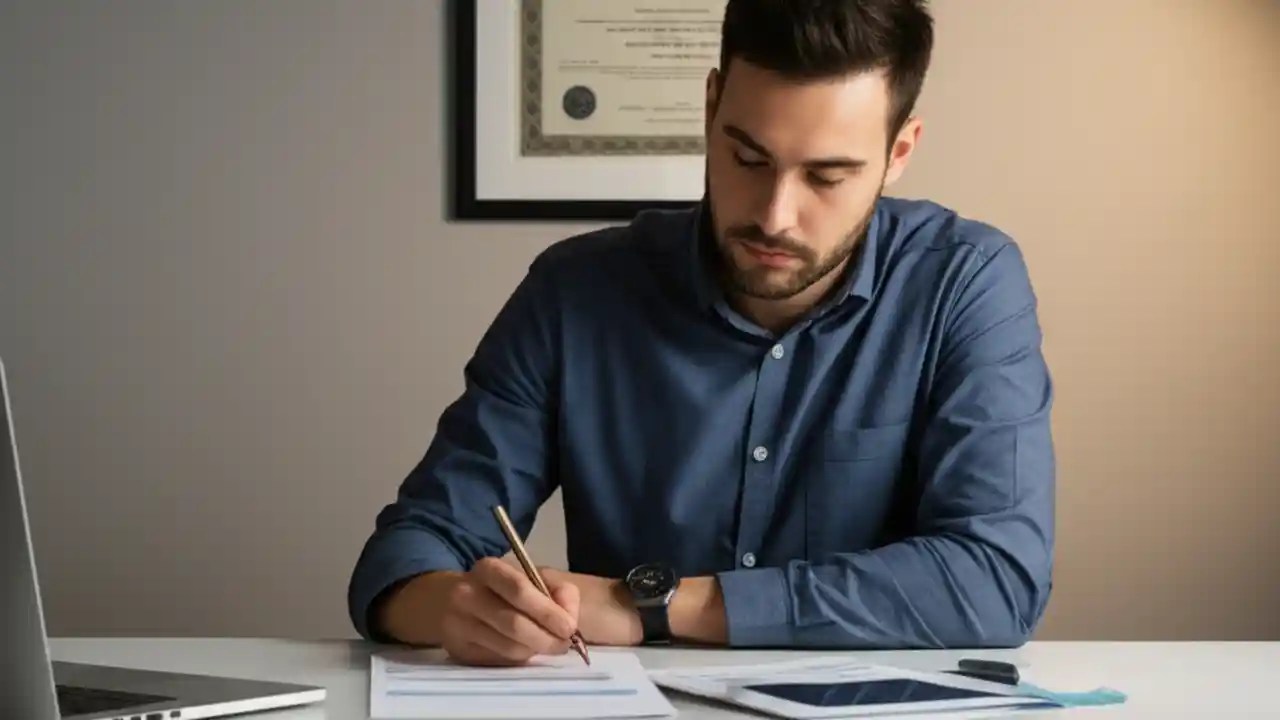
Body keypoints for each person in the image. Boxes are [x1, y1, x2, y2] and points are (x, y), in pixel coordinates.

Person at [348, 0, 1054, 667]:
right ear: (711, 106)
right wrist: (455, 608)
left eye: (827, 176)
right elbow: (408, 552)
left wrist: (650, 606)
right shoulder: (575, 291)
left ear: (900, 151)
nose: (776, 215)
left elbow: (996, 578)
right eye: (748, 159)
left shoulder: (966, 283)